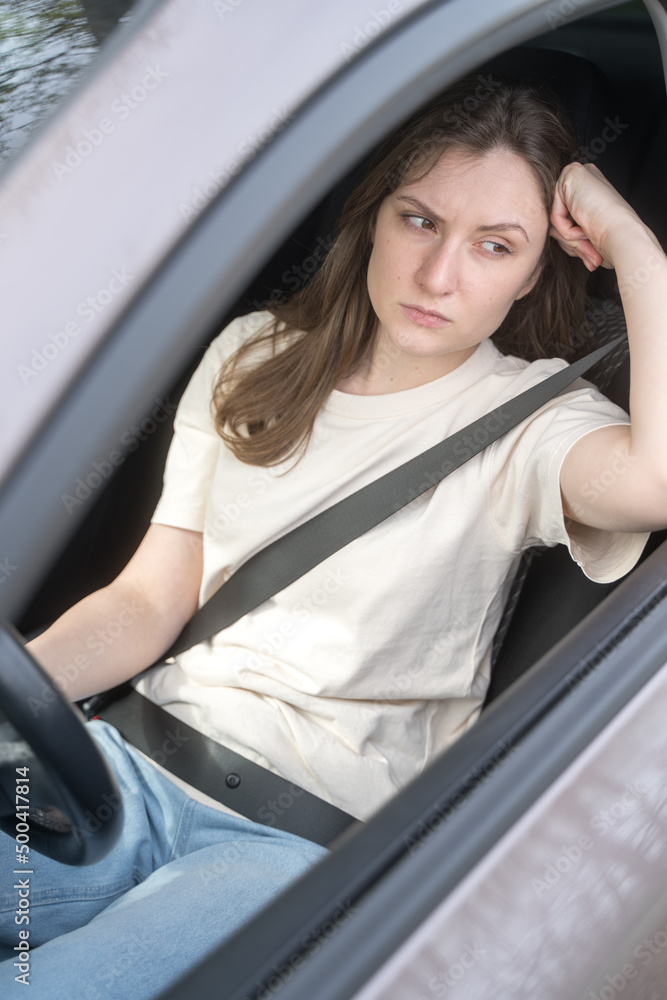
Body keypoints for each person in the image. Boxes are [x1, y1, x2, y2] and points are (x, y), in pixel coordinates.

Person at [1, 74, 666, 998]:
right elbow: (150, 600)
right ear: (374, 216)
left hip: (286, 847)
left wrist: (632, 242)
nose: (438, 275)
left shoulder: (530, 422)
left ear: (532, 272)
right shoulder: (252, 353)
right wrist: (21, 698)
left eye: (494, 245)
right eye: (420, 221)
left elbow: (656, 481)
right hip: (118, 768)